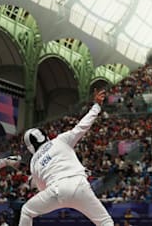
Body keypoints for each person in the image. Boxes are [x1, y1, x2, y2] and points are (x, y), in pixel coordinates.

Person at [20, 90, 112, 226]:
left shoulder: (33, 163)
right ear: (45, 137)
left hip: (56, 191)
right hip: (79, 186)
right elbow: (82, 127)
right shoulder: (60, 140)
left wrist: (32, 181)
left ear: (30, 147)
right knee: (105, 222)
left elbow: (42, 189)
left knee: (27, 211)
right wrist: (96, 106)